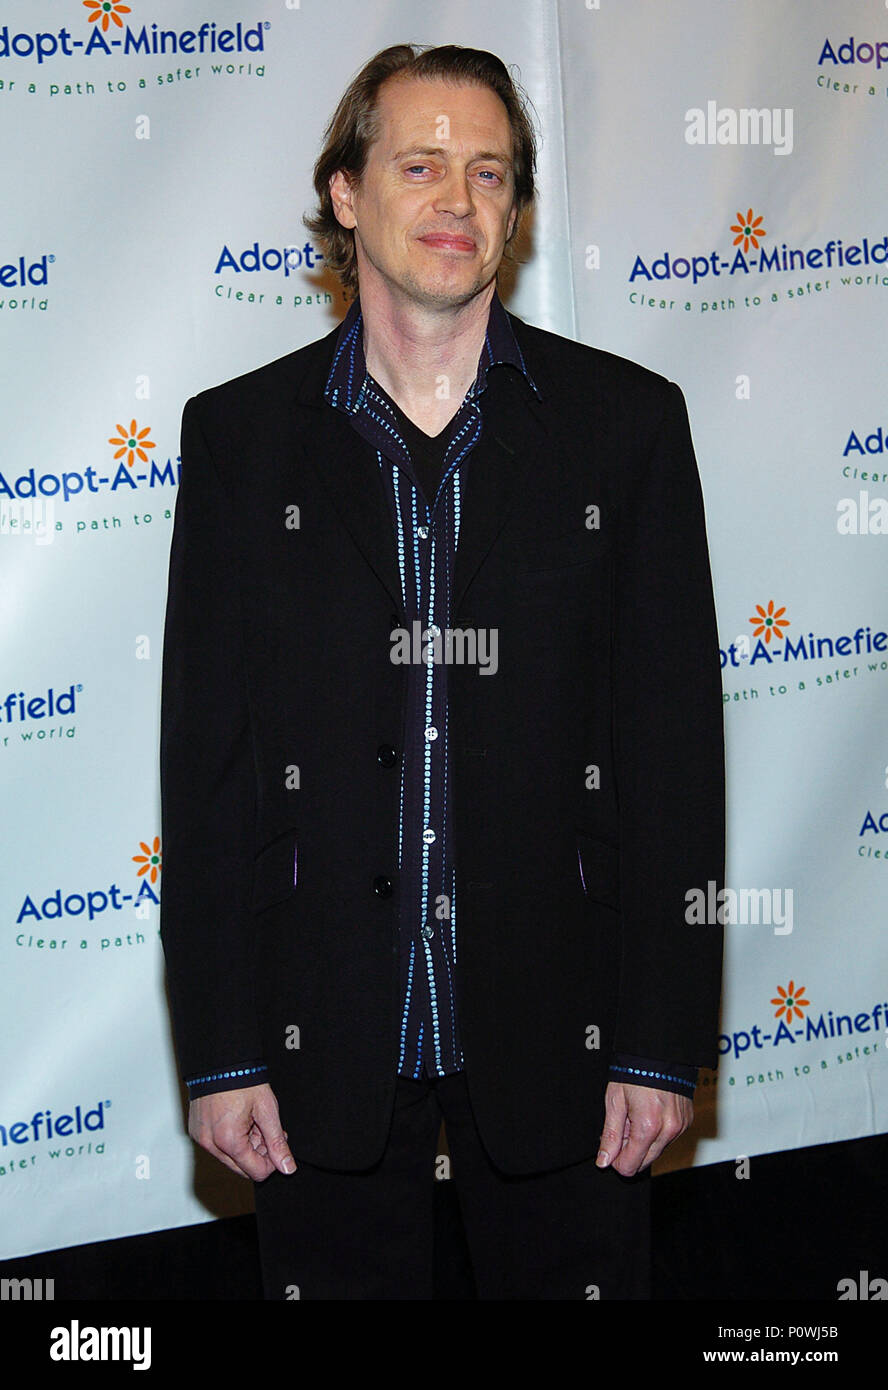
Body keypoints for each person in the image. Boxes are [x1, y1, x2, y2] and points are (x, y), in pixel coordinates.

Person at [159, 42, 725, 1300]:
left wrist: (657, 1042)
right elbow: (207, 774)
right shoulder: (239, 444)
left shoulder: (627, 430)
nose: (456, 202)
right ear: (348, 194)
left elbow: (674, 752)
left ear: (516, 211)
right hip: (316, 1052)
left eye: (489, 172)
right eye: (419, 164)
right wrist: (219, 1051)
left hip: (569, 1048)